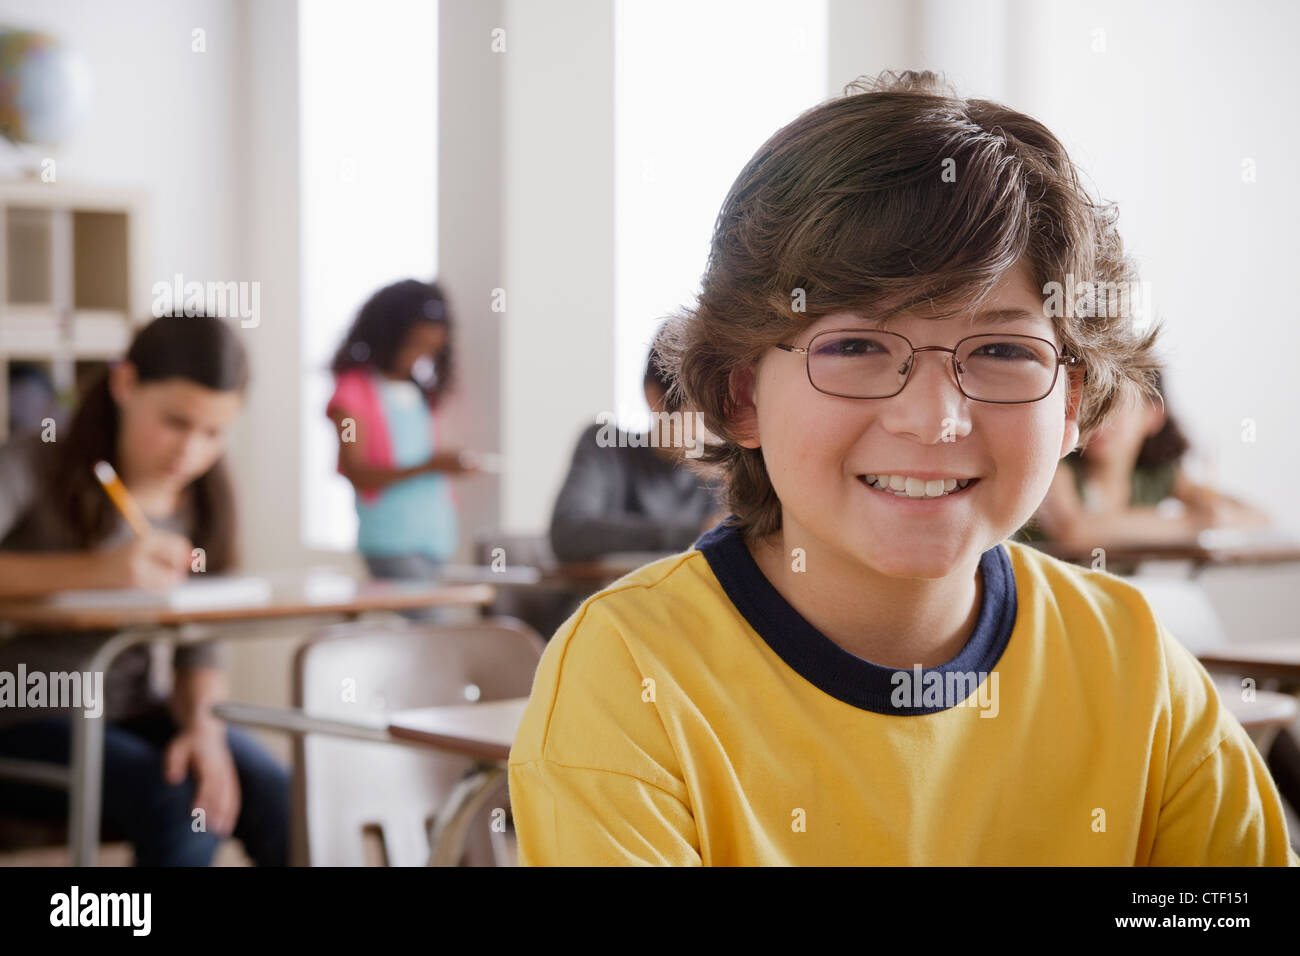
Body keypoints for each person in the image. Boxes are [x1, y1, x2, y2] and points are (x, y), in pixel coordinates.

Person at [506, 71, 1299, 865]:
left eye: (1000, 351)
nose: (934, 418)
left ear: (1070, 406)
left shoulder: (1134, 665)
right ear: (741, 392)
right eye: (855, 347)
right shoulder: (629, 682)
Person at [0, 313, 290, 866]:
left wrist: (203, 727)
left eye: (214, 433)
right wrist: (97, 571)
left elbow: (199, 639)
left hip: (132, 707)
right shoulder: (35, 459)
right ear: (125, 383)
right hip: (23, 708)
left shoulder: (205, 501)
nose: (191, 451)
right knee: (179, 804)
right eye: (176, 422)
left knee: (277, 792)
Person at [326, 279, 483, 591]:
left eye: (429, 351)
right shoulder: (352, 393)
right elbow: (357, 472)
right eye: (413, 346)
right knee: (440, 630)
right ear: (388, 335)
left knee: (436, 630)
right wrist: (431, 465)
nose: (419, 357)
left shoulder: (419, 392)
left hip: (436, 538)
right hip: (391, 541)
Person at [1018, 369, 1271, 547]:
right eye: (1091, 402)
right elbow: (1074, 531)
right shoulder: (1058, 464)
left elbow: (1260, 518)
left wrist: (1214, 516)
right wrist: (1193, 523)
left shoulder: (1158, 476)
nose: (1100, 419)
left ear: (1153, 416)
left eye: (1117, 404)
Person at [549, 334, 723, 562]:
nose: (719, 431)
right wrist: (696, 531)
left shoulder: (723, 466)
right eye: (706, 413)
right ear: (655, 398)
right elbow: (568, 532)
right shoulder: (605, 445)